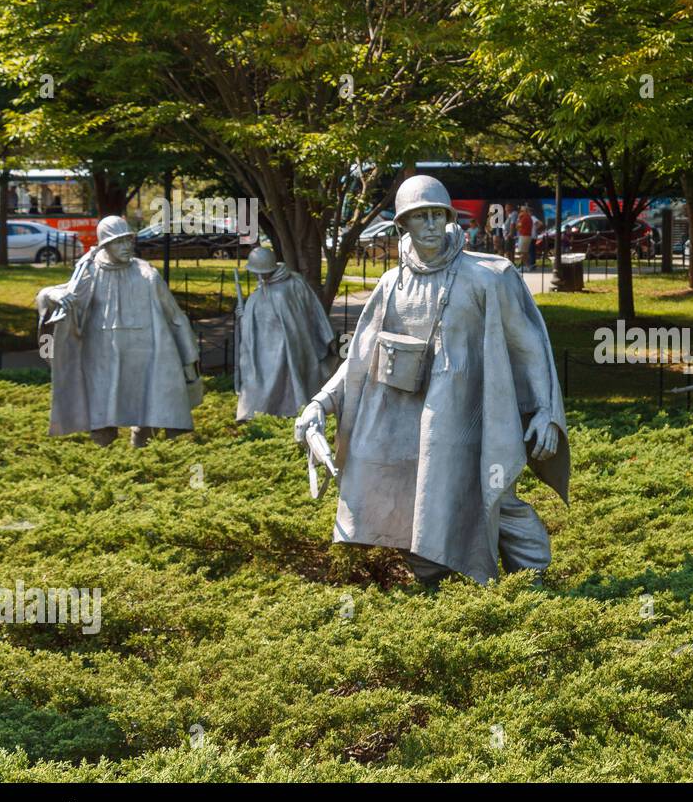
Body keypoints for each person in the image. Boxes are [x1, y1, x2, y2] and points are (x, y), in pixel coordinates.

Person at [294, 175, 569, 586]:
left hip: (476, 419)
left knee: (496, 501)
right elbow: (359, 360)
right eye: (419, 217)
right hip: (413, 424)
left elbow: (528, 345)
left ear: (448, 217)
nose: (430, 225)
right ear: (403, 223)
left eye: (437, 215)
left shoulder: (487, 277)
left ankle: (535, 593)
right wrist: (319, 403)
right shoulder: (392, 285)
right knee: (414, 504)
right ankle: (437, 594)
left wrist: (545, 410)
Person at [35, 215, 202, 448]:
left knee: (150, 407)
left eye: (128, 241)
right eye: (118, 242)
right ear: (105, 244)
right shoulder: (89, 272)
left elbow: (174, 317)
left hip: (146, 355)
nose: (126, 247)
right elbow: (56, 296)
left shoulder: (147, 275)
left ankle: (143, 456)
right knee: (102, 414)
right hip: (102, 357)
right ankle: (106, 462)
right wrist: (52, 295)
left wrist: (189, 357)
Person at [233, 247, 337, 421]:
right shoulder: (289, 282)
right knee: (277, 383)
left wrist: (246, 314)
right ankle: (273, 414)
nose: (257, 277)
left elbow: (309, 311)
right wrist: (244, 315)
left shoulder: (284, 288)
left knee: (276, 383)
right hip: (274, 348)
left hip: (284, 349)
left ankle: (270, 414)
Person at [517, 205, 535, 272]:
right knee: (525, 252)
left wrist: (519, 218)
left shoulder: (524, 218)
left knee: (522, 252)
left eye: (521, 211)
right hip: (527, 236)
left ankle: (526, 266)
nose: (520, 212)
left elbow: (518, 226)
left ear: (525, 211)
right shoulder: (529, 217)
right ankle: (526, 265)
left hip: (524, 236)